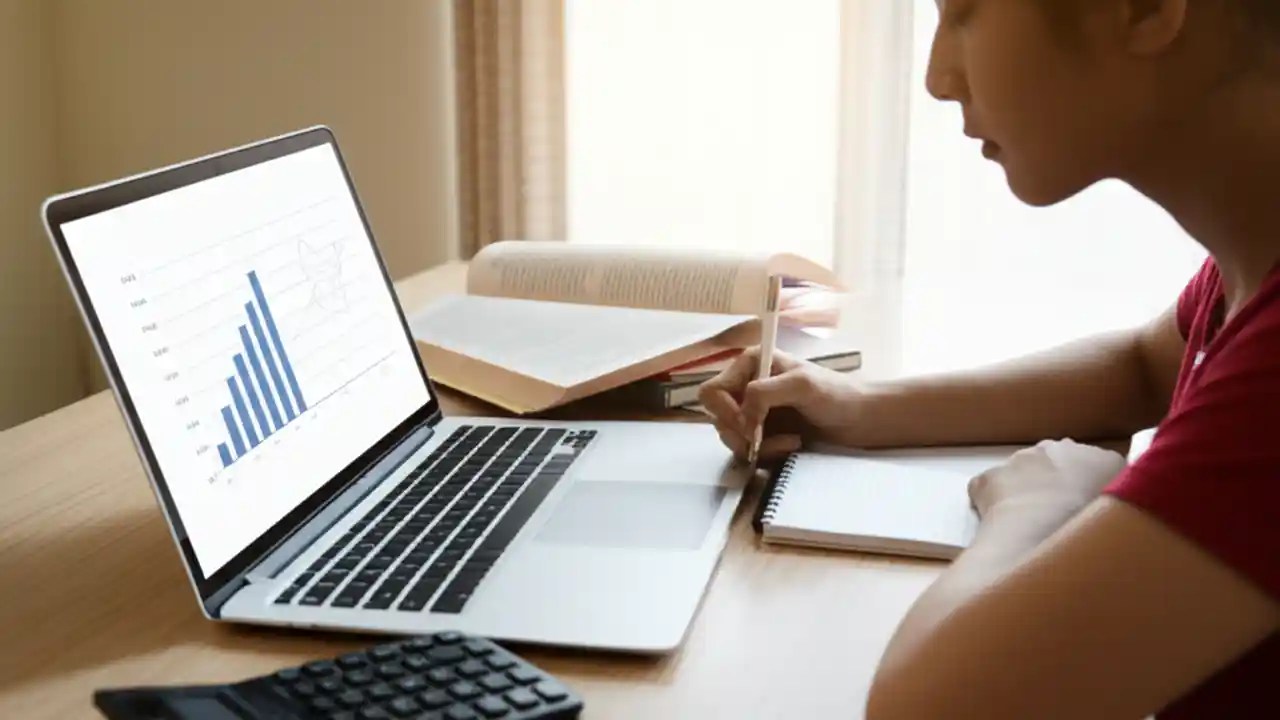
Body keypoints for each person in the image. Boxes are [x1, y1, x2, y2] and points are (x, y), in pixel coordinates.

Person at [699, 0, 1280, 717]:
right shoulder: (1251, 259)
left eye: (964, 12)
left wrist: (1038, 504)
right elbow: (1143, 366)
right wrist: (859, 408)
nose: (938, 78)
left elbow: (929, 708)